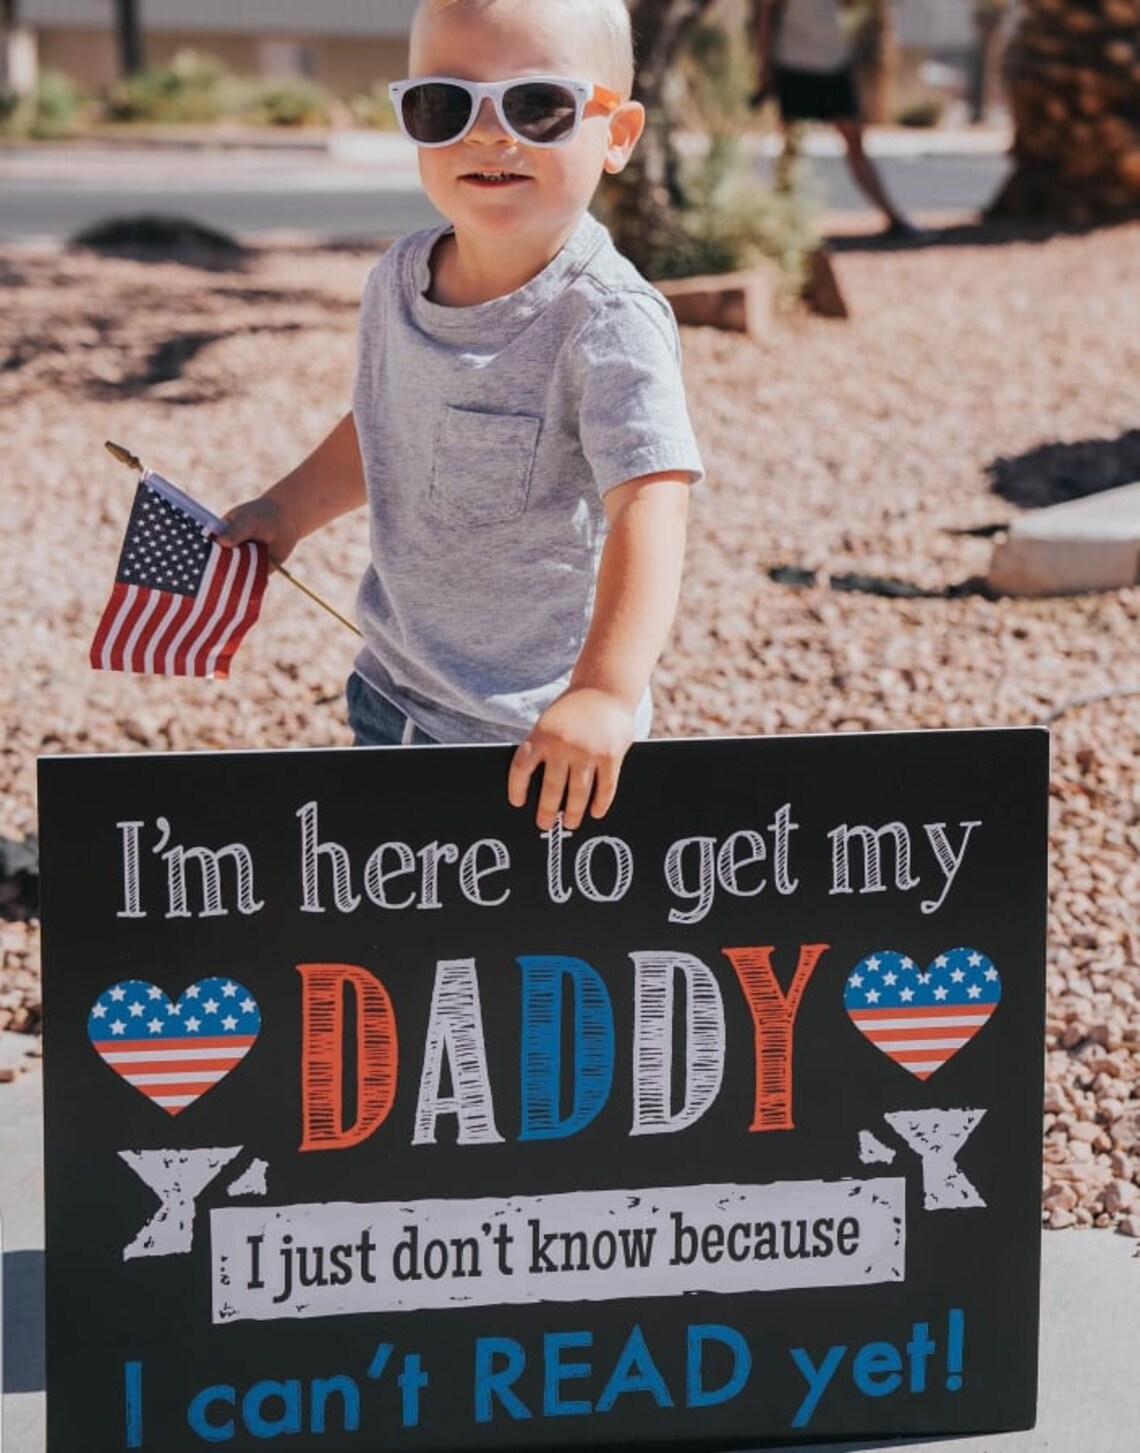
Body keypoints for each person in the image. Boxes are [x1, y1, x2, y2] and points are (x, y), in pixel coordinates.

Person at [217, 0, 704, 833]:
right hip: (391, 693)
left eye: (536, 105)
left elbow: (650, 504)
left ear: (617, 134)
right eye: (445, 105)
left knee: (524, 953)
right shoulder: (400, 280)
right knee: (408, 947)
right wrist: (285, 509)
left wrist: (603, 693)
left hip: (540, 740)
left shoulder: (606, 318)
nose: (487, 135)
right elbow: (387, 424)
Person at [751, 0, 923, 237]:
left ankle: (893, 218)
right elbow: (765, 14)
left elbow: (848, 7)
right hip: (795, 64)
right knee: (792, 144)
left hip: (834, 63)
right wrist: (763, 65)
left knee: (854, 140)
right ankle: (779, 220)